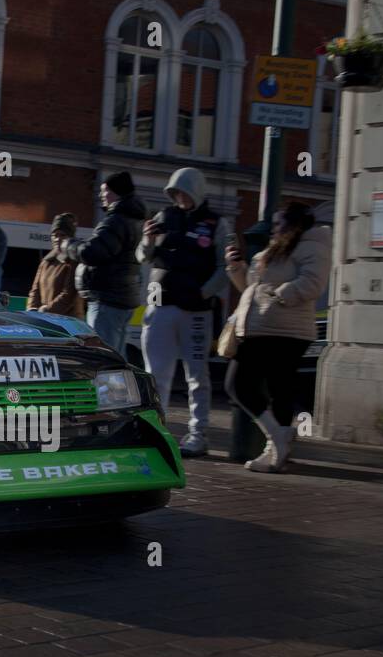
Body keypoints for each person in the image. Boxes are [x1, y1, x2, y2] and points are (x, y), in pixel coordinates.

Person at [223, 201, 331, 472]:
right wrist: (236, 268)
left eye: (278, 223)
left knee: (238, 384)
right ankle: (276, 454)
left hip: (282, 329)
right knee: (279, 390)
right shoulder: (276, 249)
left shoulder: (312, 246)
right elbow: (251, 288)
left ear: (294, 224)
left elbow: (313, 283)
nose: (273, 229)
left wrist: (278, 297)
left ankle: (276, 438)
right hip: (264, 326)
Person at [137, 167, 231, 457]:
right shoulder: (163, 217)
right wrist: (148, 240)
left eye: (184, 191)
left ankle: (198, 434)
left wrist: (203, 292)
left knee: (197, 375)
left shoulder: (217, 224)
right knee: (156, 374)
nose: (179, 197)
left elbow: (224, 266)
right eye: (175, 192)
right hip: (160, 306)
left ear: (197, 191)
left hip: (196, 311)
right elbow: (142, 257)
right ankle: (157, 431)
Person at [56, 171, 146, 355]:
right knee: (116, 354)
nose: (100, 195)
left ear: (115, 192)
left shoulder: (116, 221)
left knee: (102, 356)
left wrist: (68, 244)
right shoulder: (132, 219)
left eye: (104, 190)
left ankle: (105, 385)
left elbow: (92, 252)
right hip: (121, 297)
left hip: (107, 299)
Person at [27, 213, 84, 319]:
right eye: (55, 235)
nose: (58, 239)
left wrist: (46, 310)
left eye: (62, 235)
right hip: (45, 319)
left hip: (68, 322)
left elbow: (68, 295)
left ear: (70, 238)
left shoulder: (73, 262)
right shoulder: (46, 262)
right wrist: (32, 308)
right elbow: (35, 289)